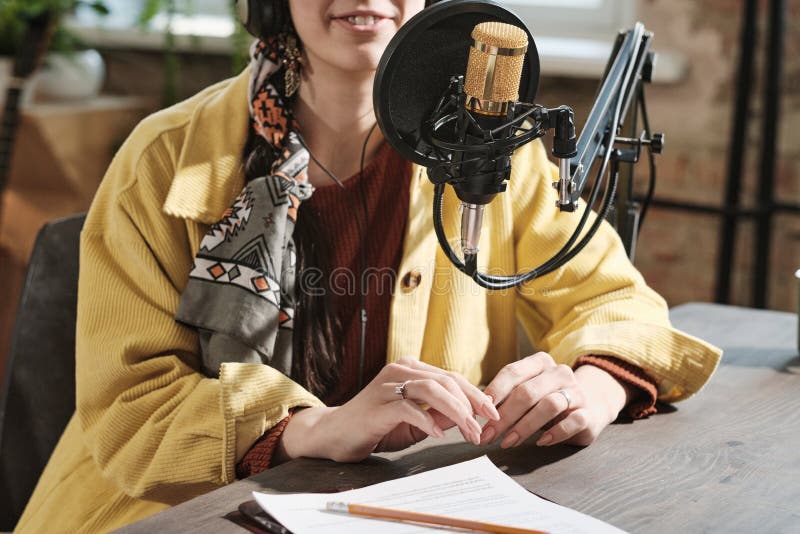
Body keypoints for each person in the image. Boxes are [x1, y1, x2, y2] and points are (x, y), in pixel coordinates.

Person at [16, 1, 721, 532]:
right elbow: (132, 408)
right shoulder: (161, 159)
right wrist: (308, 429)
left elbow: (615, 303)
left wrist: (593, 388)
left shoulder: (490, 151)